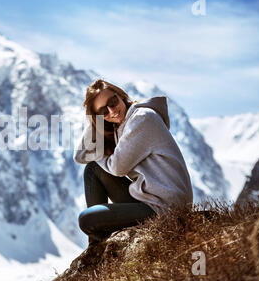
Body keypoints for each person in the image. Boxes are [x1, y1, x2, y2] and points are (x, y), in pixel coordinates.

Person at [73, 79, 193, 255]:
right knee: (93, 169)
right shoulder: (121, 125)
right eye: (103, 110)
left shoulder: (142, 119)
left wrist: (99, 152)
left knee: (87, 219)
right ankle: (97, 247)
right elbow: (80, 155)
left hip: (166, 207)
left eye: (112, 102)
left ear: (121, 95)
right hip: (148, 198)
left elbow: (117, 168)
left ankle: (97, 250)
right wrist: (95, 121)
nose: (112, 111)